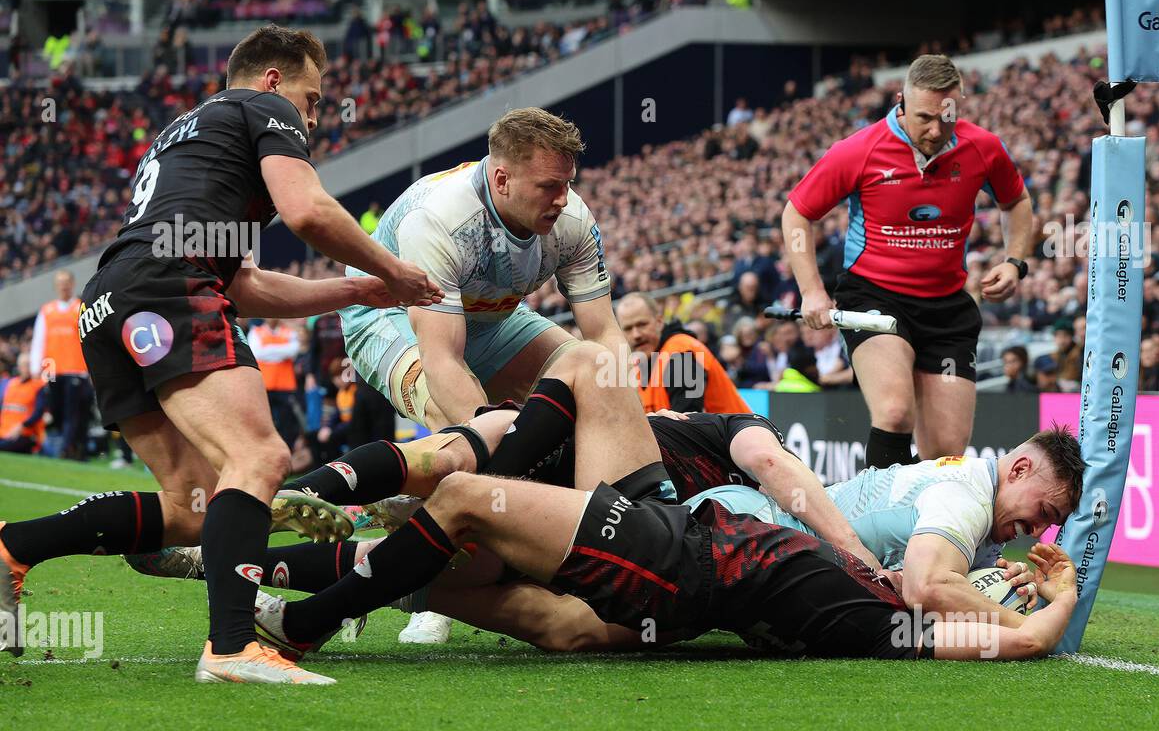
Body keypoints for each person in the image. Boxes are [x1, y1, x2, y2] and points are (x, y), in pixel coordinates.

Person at [1, 25, 438, 677]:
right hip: (166, 287)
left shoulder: (189, 137)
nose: (313, 115)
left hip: (112, 298)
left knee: (191, 506)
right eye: (311, 98)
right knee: (258, 455)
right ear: (272, 80)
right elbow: (308, 211)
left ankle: (13, 550)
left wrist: (353, 288)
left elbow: (244, 286)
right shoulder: (265, 110)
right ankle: (231, 647)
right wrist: (393, 271)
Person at [250, 338, 1081, 663]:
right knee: (493, 455)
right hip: (669, 533)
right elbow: (919, 576)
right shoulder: (732, 435)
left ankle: (345, 565)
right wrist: (1032, 604)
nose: (1037, 529)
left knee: (553, 616)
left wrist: (1026, 603)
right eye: (1044, 509)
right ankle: (347, 544)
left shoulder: (874, 599)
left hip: (679, 558)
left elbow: (935, 595)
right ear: (1014, 470)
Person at [783, 54, 1033, 469]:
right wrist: (812, 291)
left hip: (947, 305)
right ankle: (877, 524)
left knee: (946, 451)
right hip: (873, 297)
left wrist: (1014, 261)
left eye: (947, 118)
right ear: (901, 101)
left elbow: (1017, 201)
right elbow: (796, 212)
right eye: (924, 118)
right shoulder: (859, 150)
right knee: (895, 412)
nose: (936, 130)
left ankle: (916, 522)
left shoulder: (982, 148)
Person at [337, 107, 625, 434]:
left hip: (487, 315)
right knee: (454, 415)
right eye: (549, 186)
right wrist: (498, 443)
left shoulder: (574, 221)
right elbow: (442, 358)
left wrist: (637, 413)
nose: (562, 200)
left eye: (567, 184)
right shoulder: (440, 220)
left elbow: (604, 333)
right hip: (393, 313)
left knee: (591, 378)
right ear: (502, 180)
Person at [616, 292, 751, 413]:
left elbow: (688, 426)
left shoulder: (681, 353)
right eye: (628, 328)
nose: (636, 335)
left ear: (659, 321)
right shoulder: (638, 364)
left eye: (642, 324)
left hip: (737, 439)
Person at [29, 270, 92, 460]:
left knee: (71, 411)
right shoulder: (47, 310)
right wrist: (35, 367)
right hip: (52, 370)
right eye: (60, 282)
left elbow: (89, 340)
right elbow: (39, 339)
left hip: (76, 370)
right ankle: (68, 446)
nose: (64, 285)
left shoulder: (81, 307)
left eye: (66, 282)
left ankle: (66, 449)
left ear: (72, 284)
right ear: (56, 285)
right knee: (55, 411)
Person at [249, 318, 302, 449]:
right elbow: (257, 353)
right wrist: (281, 352)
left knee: (287, 422)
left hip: (285, 386)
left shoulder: (289, 332)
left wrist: (268, 350)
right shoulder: (256, 331)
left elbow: (294, 350)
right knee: (266, 422)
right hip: (264, 386)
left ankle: (288, 451)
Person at [0, 354, 47, 455]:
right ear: (19, 367)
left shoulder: (38, 386)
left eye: (28, 365)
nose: (26, 368)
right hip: (4, 430)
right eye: (24, 365)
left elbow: (38, 413)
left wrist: (22, 426)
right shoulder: (10, 384)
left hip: (24, 434)